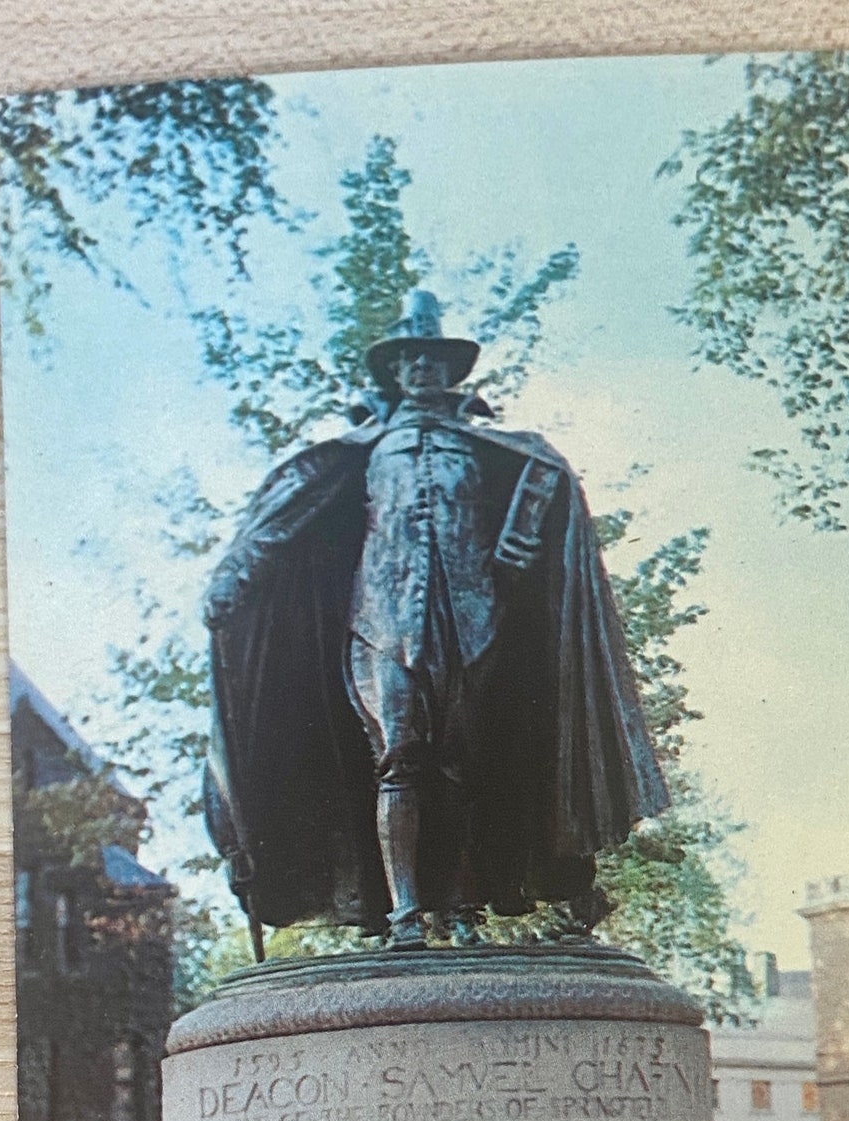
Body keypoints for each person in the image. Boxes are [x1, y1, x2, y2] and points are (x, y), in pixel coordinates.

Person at [203, 291, 668, 955]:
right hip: (380, 623)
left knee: (455, 769)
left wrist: (522, 537)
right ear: (394, 370)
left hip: (470, 620)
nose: (422, 367)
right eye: (409, 357)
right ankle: (404, 912)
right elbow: (286, 515)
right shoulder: (362, 449)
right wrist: (233, 576)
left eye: (434, 357)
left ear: (453, 371)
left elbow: (545, 482)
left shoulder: (487, 447)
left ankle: (458, 906)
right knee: (397, 755)